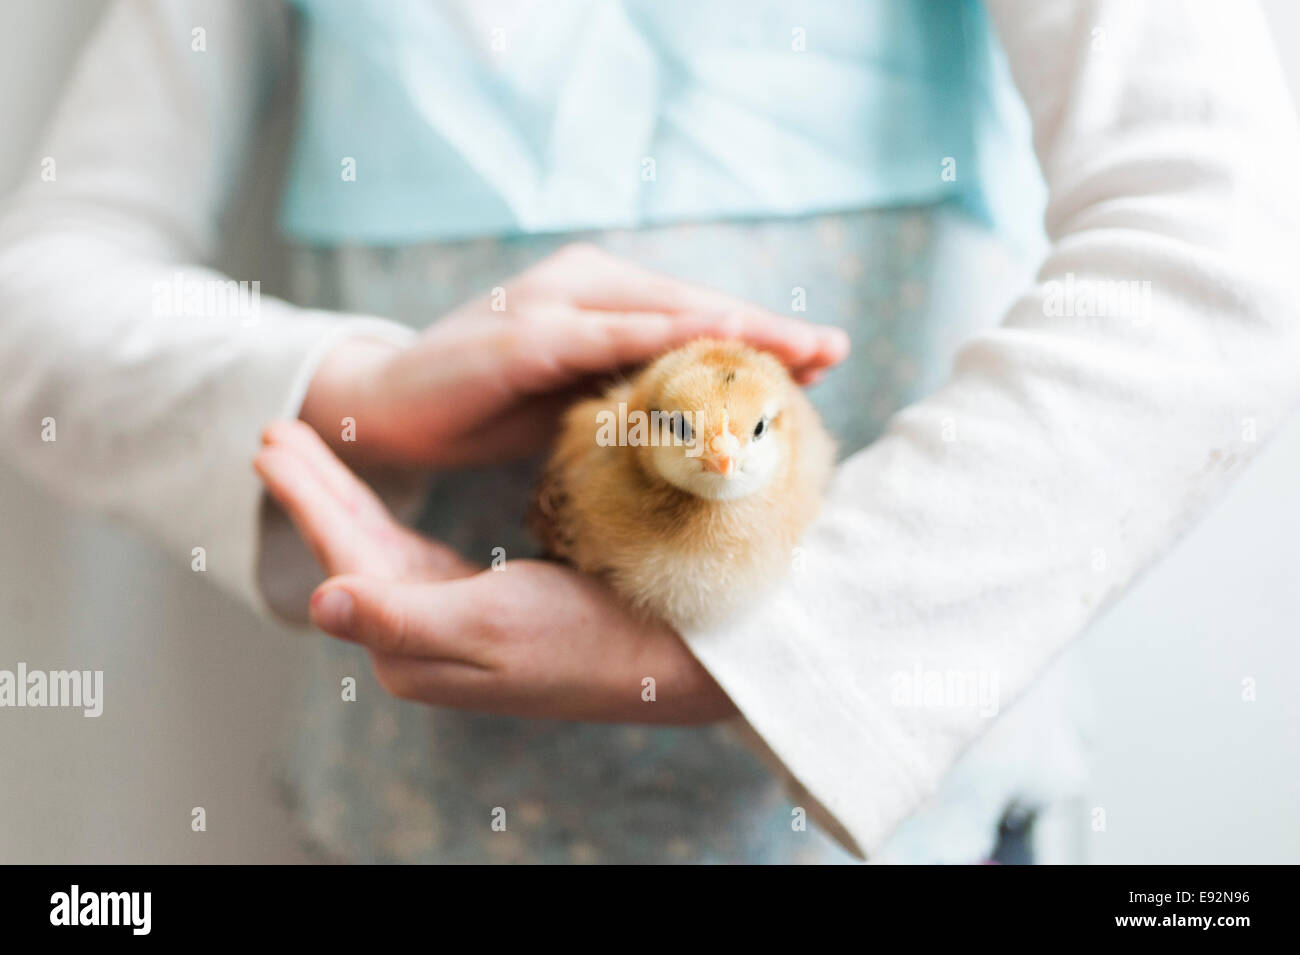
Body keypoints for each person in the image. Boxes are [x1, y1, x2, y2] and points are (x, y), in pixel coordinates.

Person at [1, 0, 1297, 863]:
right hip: (405, 826)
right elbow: (44, 292)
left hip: (928, 834)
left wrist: (762, 640)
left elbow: (1228, 244)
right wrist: (358, 389)